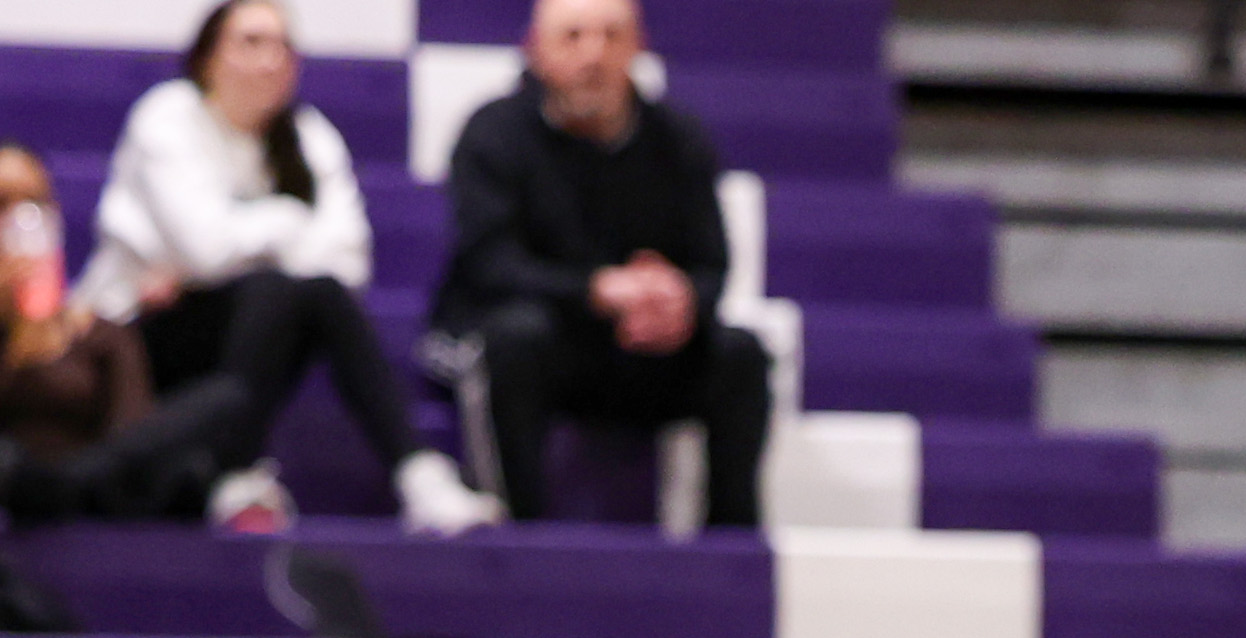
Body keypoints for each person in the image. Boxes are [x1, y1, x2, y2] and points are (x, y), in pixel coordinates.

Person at [73, 0, 501, 535]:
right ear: (208, 58)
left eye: (283, 46)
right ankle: (235, 470)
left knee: (315, 295)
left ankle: (418, 474)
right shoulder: (167, 117)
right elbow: (207, 248)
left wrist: (237, 247)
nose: (271, 59)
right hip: (138, 339)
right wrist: (289, 221)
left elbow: (347, 265)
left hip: (241, 335)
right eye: (251, 42)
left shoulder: (309, 134)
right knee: (278, 289)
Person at [428, 0, 771, 527]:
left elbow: (711, 265)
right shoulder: (493, 132)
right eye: (573, 36)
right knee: (515, 340)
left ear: (638, 46)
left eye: (612, 36)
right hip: (548, 342)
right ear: (534, 50)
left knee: (742, 354)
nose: (594, 54)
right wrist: (597, 290)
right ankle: (522, 536)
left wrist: (679, 302)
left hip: (643, 350)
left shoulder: (679, 138)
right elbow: (488, 264)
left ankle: (729, 546)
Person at [0, 146, 254, 523]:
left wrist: (55, 326)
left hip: (92, 484)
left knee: (222, 398)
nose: (20, 219)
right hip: (12, 478)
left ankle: (65, 483)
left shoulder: (95, 330)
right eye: (3, 204)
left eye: (34, 202)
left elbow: (131, 431)